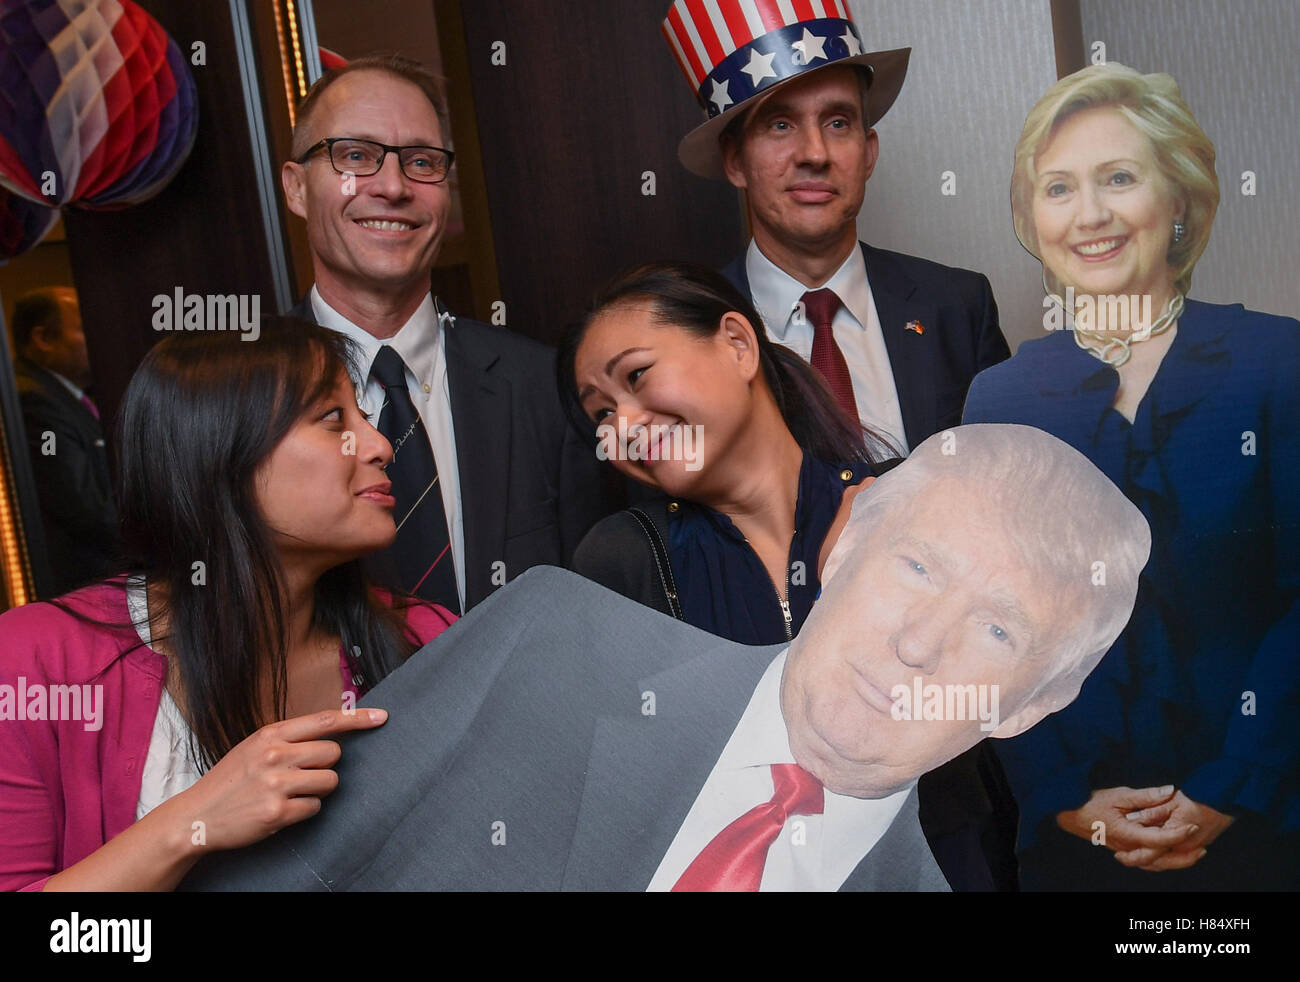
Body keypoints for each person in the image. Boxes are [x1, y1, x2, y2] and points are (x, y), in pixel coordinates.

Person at [183, 424, 1149, 892]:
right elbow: (272, 882)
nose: (917, 644)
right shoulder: (552, 639)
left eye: (996, 632)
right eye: (918, 566)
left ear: (1029, 705)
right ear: (844, 547)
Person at [963, 63, 1300, 889]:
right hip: (1076, 842)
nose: (1091, 215)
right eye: (1059, 188)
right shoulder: (997, 396)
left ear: (1179, 199)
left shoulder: (1277, 362)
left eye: (1120, 178)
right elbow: (987, 625)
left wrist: (1234, 787)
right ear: (1031, 216)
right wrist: (1063, 795)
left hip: (1266, 823)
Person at [0, 319, 455, 892]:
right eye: (334, 419)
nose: (381, 445)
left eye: (363, 416)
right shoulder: (36, 663)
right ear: (219, 456)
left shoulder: (428, 639)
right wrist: (191, 823)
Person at [280, 53, 619, 614]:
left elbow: (593, 613)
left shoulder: (546, 388)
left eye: (420, 161)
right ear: (296, 188)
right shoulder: (238, 399)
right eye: (356, 156)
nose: (392, 187)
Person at [660, 0, 1009, 453]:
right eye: (780, 124)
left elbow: (1011, 484)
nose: (816, 154)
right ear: (735, 160)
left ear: (868, 153)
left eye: (838, 122)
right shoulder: (682, 334)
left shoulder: (959, 307)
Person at [9, 287, 119, 596]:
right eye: (83, 327)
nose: (99, 336)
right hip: (80, 582)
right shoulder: (35, 402)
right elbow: (82, 507)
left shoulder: (69, 395)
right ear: (43, 338)